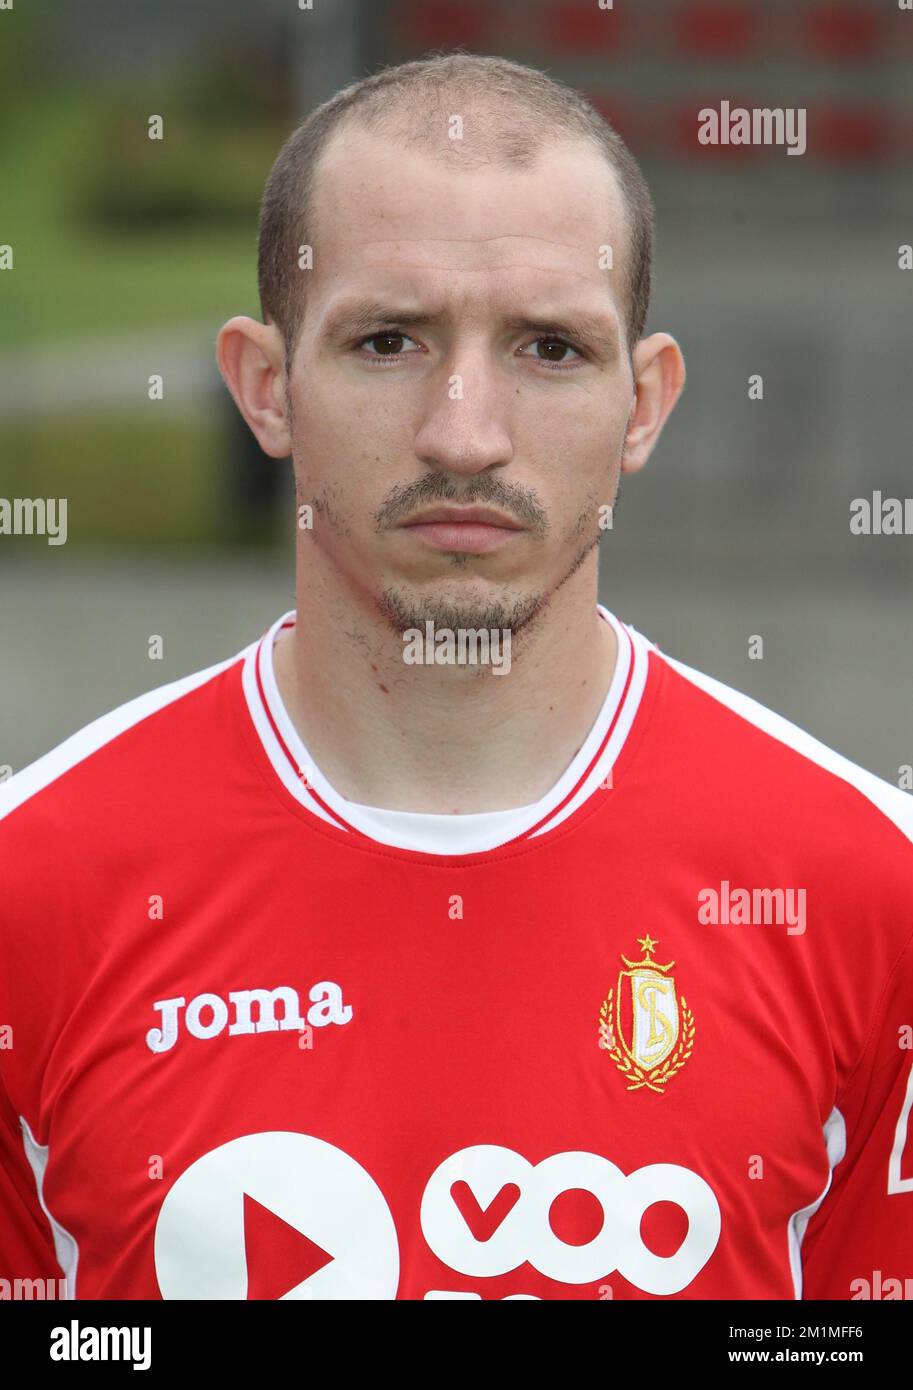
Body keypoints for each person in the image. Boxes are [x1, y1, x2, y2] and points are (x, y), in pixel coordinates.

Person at [1, 53, 910, 1302]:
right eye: (386, 340)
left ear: (643, 405)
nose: (464, 432)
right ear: (266, 388)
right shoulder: (31, 891)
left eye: (549, 347)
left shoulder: (867, 893)